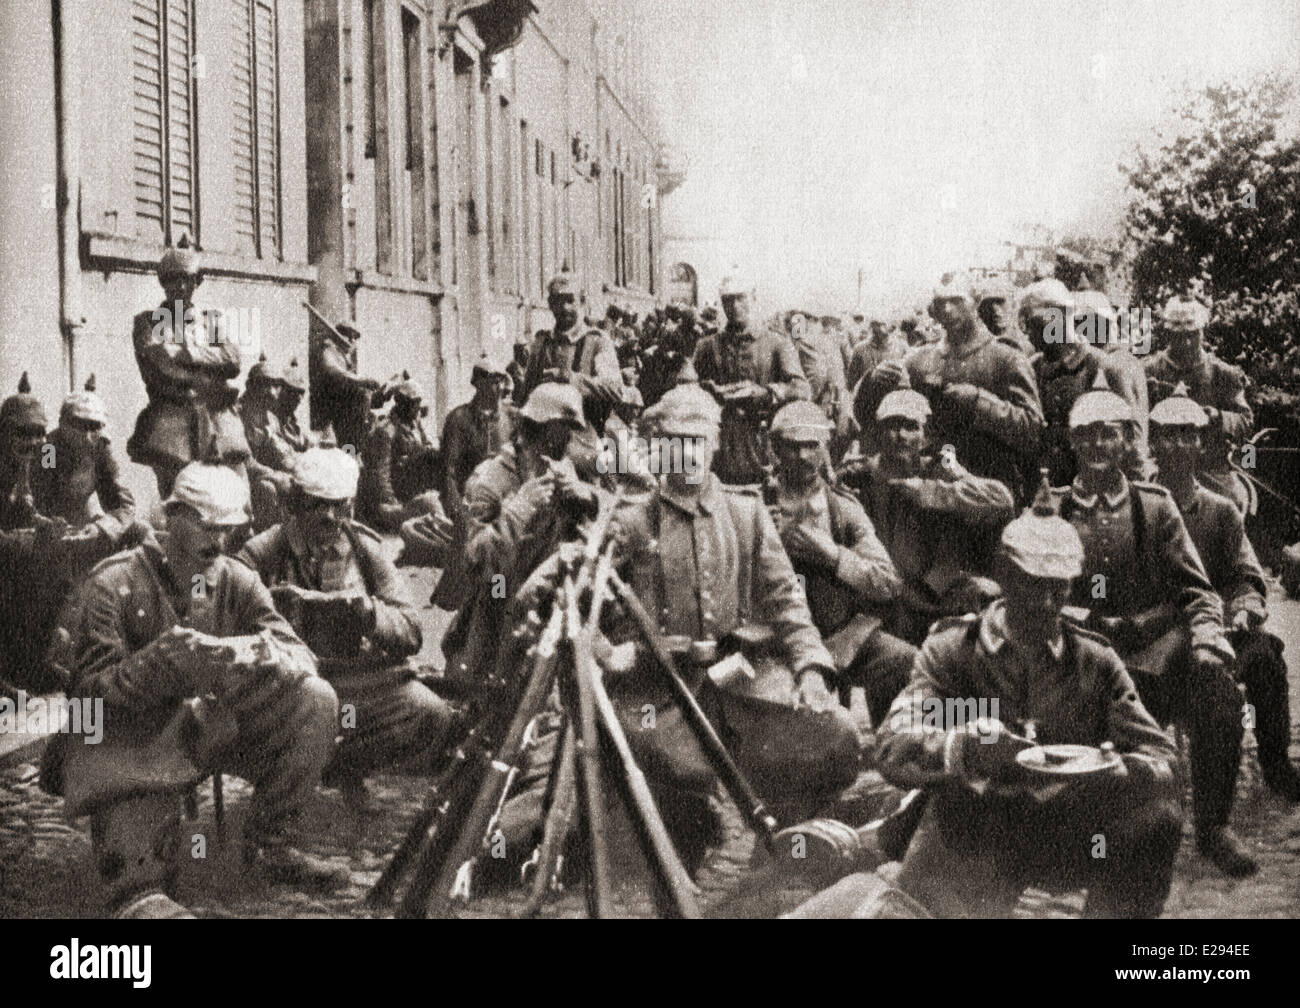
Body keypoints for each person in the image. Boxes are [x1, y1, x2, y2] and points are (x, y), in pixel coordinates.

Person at [789, 485, 1182, 918]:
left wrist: (1124, 769)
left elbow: (1162, 756)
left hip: (1064, 832)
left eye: (1061, 588)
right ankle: (879, 857)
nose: (1049, 603)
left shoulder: (1093, 661)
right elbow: (893, 742)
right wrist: (965, 749)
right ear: (1006, 576)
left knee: (1156, 821)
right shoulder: (956, 652)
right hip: (976, 829)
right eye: (1035, 586)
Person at [44, 463, 345, 918]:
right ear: (173, 518)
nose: (219, 542)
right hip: (133, 739)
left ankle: (271, 844)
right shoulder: (114, 583)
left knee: (316, 699)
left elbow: (298, 653)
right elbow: (86, 702)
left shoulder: (233, 577)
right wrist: (158, 664)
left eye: (227, 528)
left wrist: (240, 652)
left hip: (210, 727)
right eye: (207, 525)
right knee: (141, 884)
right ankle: (138, 886)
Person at [589, 385, 860, 842]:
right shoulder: (632, 520)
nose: (690, 455)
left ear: (716, 443)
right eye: (678, 443)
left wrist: (812, 669)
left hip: (739, 678)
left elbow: (786, 601)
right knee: (661, 771)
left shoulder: (745, 511)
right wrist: (614, 655)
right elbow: (583, 605)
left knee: (835, 734)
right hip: (662, 688)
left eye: (700, 442)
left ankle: (785, 829)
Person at [1053, 379, 1253, 875]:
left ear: (1126, 442)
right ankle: (1085, 837)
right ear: (1073, 442)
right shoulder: (1052, 509)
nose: (1099, 445)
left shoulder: (1156, 506)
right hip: (1082, 658)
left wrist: (1208, 643)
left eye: (1110, 434)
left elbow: (1198, 591)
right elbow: (1027, 596)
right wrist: (1083, 623)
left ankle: (1212, 826)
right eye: (1088, 435)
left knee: (1218, 694)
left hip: (1154, 658)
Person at [237, 448, 456, 810]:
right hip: (290, 685)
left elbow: (412, 631)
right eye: (318, 505)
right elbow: (227, 620)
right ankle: (279, 802)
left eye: (340, 506)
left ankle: (345, 765)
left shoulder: (365, 549)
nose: (331, 517)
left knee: (430, 714)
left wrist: (367, 613)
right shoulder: (262, 553)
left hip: (355, 682)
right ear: (295, 503)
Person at [1149, 386, 1300, 800]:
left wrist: (1244, 610)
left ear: (1201, 442)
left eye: (1188, 434)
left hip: (1218, 632)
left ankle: (1277, 765)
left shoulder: (1221, 511)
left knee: (1267, 654)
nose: (1178, 444)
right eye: (1167, 434)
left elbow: (1245, 575)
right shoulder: (1139, 505)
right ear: (1152, 442)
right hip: (1159, 636)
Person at [765, 401, 913, 724]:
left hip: (838, 638)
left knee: (904, 660)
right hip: (775, 641)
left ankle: (889, 743)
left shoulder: (842, 508)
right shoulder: (757, 505)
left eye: (811, 445)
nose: (803, 456)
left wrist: (833, 556)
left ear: (825, 448)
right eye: (792, 447)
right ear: (775, 448)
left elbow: (888, 582)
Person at [439, 382, 597, 682]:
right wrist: (519, 510)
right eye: (563, 431)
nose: (569, 441)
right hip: (497, 610)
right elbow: (476, 561)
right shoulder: (489, 480)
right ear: (543, 428)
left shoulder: (563, 468)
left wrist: (587, 498)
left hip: (551, 607)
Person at [841, 380, 1016, 645]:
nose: (899, 435)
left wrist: (930, 492)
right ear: (878, 432)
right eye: (891, 426)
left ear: (926, 436)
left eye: (910, 426)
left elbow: (1001, 500)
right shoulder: (860, 474)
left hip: (935, 597)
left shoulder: (939, 469)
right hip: (878, 597)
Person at [0, 375, 144, 695]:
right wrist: (45, 525)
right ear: (65, 424)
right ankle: (44, 658)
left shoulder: (100, 452)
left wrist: (102, 527)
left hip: (83, 533)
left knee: (142, 535)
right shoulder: (49, 449)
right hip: (48, 536)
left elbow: (122, 504)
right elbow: (37, 493)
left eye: (97, 426)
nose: (91, 435)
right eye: (82, 425)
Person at [857, 276, 1044, 504]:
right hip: (929, 493)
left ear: (975, 303)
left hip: (987, 494)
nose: (947, 309)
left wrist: (979, 402)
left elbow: (1032, 431)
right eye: (940, 302)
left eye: (956, 300)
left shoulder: (1006, 358)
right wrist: (873, 384)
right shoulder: (919, 359)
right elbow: (869, 421)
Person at [127, 236, 250, 499]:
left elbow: (232, 359)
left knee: (239, 496)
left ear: (197, 281)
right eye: (172, 279)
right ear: (163, 283)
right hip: (174, 417)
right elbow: (164, 366)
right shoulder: (153, 321)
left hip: (217, 417)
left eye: (186, 279)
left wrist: (189, 353)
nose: (180, 286)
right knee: (182, 498)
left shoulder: (210, 321)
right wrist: (209, 371)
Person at [1019, 279, 1150, 485]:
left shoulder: (1105, 368)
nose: (1028, 333)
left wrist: (1137, 502)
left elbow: (1132, 446)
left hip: (1096, 495)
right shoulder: (1032, 369)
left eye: (1034, 323)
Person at [694, 276, 812, 484]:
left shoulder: (776, 344)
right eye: (728, 300)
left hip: (762, 448)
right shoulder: (707, 346)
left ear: (753, 297)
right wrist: (706, 390)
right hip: (718, 450)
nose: (735, 306)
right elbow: (690, 389)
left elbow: (802, 388)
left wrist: (765, 393)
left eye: (740, 298)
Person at [1145, 296, 1255, 514]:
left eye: (1192, 335)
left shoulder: (1222, 373)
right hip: (1159, 465)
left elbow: (1245, 420)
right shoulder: (1149, 370)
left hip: (1209, 468)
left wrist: (1218, 417)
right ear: (1168, 333)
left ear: (1203, 332)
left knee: (1232, 507)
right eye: (1178, 336)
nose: (1186, 343)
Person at [357, 373, 443, 534]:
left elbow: (429, 447)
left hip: (416, 487)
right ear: (403, 404)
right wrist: (391, 504)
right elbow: (381, 473)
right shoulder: (386, 431)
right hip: (398, 493)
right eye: (414, 403)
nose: (417, 408)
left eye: (418, 403)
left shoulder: (414, 423)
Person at [310, 317, 381, 456]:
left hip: (348, 414)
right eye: (349, 336)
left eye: (354, 338)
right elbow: (334, 371)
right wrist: (361, 381)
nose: (352, 341)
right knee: (347, 449)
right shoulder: (329, 350)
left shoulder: (344, 357)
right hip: (333, 411)